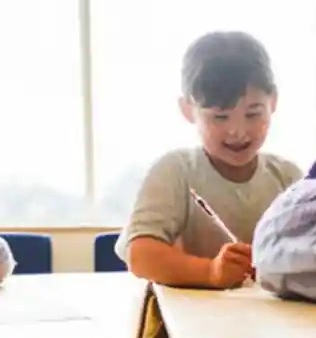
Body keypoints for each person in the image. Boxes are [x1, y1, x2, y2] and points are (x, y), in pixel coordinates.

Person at [116, 31, 302, 288]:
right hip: (190, 322)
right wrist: (211, 272)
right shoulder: (175, 171)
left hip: (272, 320)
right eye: (220, 117)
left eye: (253, 113)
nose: (238, 131)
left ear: (273, 102)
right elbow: (140, 255)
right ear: (187, 110)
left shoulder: (289, 177)